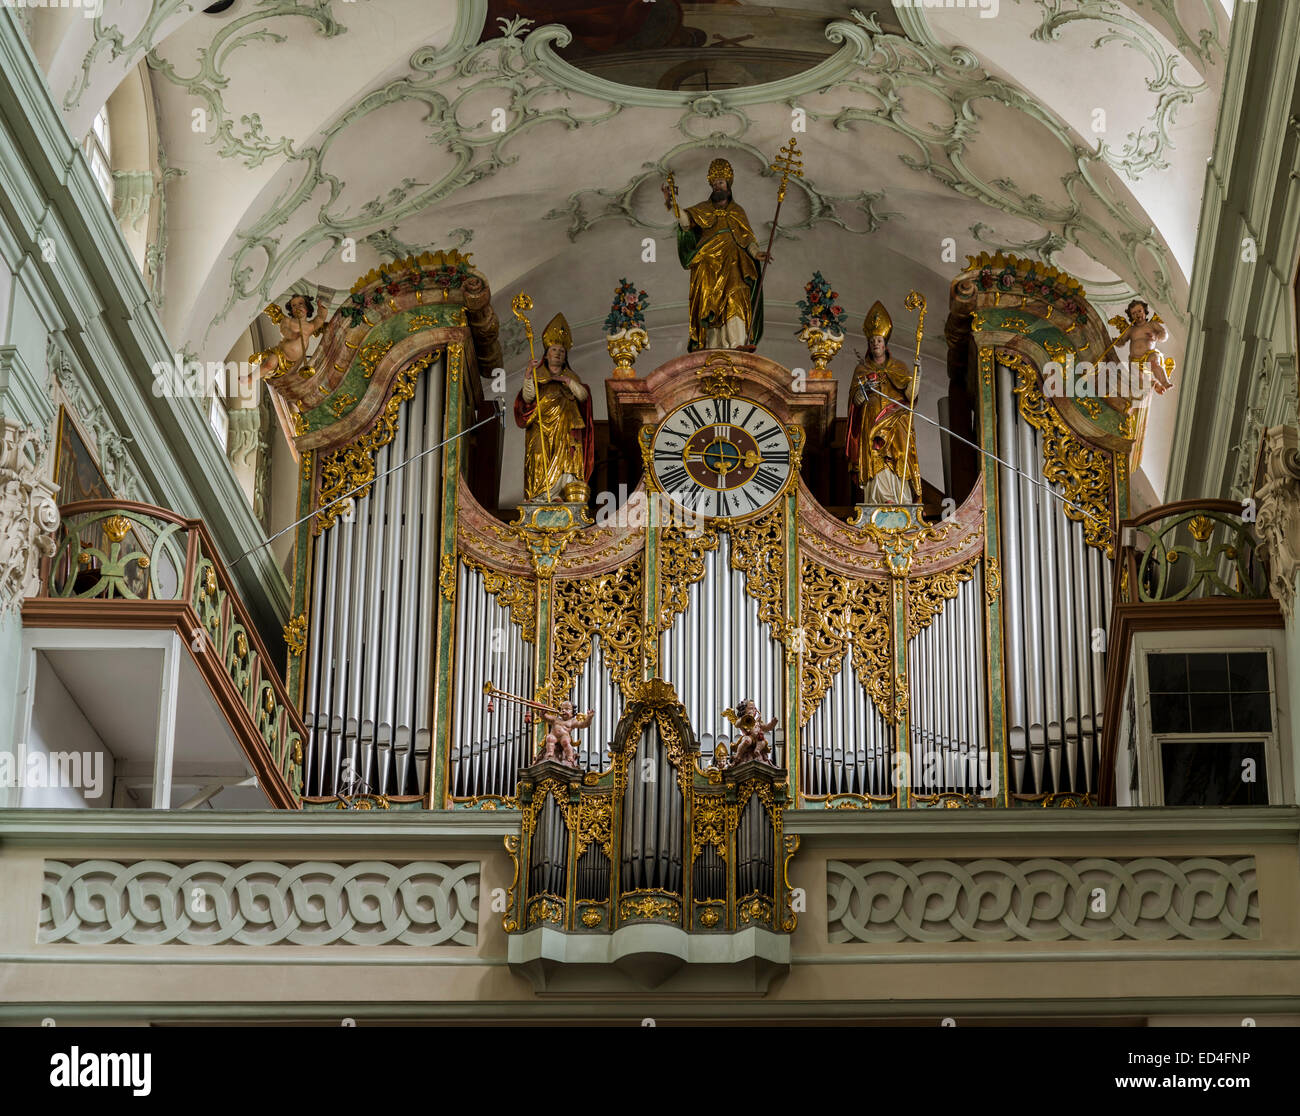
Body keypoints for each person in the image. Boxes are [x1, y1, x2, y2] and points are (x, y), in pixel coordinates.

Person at [662, 157, 769, 351]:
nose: (717, 186)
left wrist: (756, 253)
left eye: (720, 182)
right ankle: (713, 347)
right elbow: (686, 223)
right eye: (714, 183)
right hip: (709, 262)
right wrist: (673, 203)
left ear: (728, 184)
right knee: (709, 303)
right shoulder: (703, 209)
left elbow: (747, 238)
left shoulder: (737, 211)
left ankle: (737, 342)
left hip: (735, 261)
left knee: (737, 296)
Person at [513, 313, 595, 503]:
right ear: (547, 353)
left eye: (562, 351)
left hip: (565, 425)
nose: (558, 353)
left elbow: (583, 396)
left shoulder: (571, 377)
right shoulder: (537, 375)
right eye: (554, 349)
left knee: (566, 457)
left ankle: (559, 494)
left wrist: (568, 382)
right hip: (540, 424)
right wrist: (527, 375)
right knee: (539, 454)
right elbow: (527, 397)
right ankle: (540, 495)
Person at [846, 300, 921, 506]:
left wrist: (918, 375)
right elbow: (855, 401)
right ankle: (876, 500)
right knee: (875, 458)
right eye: (872, 341)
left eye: (878, 340)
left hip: (897, 423)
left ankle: (900, 499)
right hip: (871, 424)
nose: (875, 344)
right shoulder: (861, 370)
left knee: (896, 458)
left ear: (884, 342)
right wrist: (861, 394)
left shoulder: (899, 367)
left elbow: (910, 396)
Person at [1115, 299, 1172, 395]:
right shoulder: (1131, 330)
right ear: (1131, 316)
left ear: (1144, 311)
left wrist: (1156, 337)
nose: (1137, 314)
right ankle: (1154, 384)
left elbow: (1164, 335)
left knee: (1154, 364)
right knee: (1136, 382)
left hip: (1149, 354)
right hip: (1135, 359)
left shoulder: (1152, 324)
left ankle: (1165, 382)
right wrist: (1116, 342)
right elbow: (1122, 342)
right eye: (1133, 313)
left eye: (1139, 311)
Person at [539, 700, 595, 767]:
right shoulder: (555, 719)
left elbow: (584, 724)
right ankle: (550, 752)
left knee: (566, 742)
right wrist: (542, 713)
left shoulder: (572, 721)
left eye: (567, 709)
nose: (563, 711)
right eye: (562, 709)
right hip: (554, 735)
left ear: (573, 712)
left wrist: (589, 717)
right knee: (549, 738)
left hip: (564, 736)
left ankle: (570, 756)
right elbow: (545, 718)